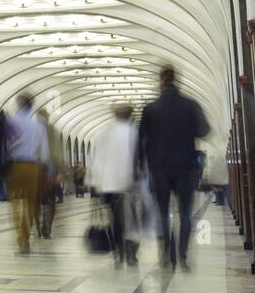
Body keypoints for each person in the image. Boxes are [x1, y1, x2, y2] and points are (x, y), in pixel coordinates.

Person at [137, 66, 209, 270]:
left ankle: (166, 253)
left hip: (158, 167)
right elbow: (204, 130)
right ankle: (183, 255)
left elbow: (141, 139)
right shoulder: (190, 104)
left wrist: (141, 166)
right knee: (185, 214)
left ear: (160, 81)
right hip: (185, 167)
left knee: (162, 212)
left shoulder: (150, 109)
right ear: (176, 80)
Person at [88, 104, 139, 267]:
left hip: (109, 185)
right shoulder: (135, 133)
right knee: (131, 219)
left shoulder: (105, 133)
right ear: (130, 115)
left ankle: (118, 251)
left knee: (115, 219)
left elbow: (97, 159)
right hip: (129, 184)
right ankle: (131, 252)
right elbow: (140, 160)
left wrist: (94, 182)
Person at [5, 94, 49, 254]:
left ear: (18, 104)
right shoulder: (38, 126)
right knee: (30, 203)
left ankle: (20, 237)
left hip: (15, 166)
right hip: (32, 166)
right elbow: (44, 153)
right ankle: (26, 237)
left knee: (15, 203)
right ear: (31, 106)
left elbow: (5, 144)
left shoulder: (10, 121)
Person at [36, 110, 63, 238]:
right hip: (49, 169)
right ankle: (47, 227)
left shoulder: (35, 129)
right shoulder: (52, 130)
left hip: (39, 169)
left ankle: (42, 226)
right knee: (50, 202)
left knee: (38, 201)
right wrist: (61, 172)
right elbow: (58, 152)